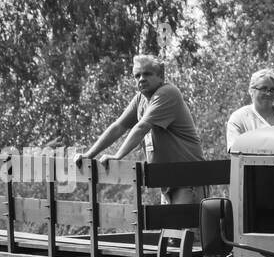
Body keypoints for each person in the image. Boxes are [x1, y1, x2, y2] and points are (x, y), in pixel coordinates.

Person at [82, 55, 206, 204]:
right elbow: (118, 126)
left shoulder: (167, 93)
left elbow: (142, 127)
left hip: (188, 180)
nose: (141, 79)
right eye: (137, 75)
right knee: (170, 226)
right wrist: (89, 155)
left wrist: (117, 156)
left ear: (160, 76)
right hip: (168, 182)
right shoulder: (140, 99)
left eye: (147, 74)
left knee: (187, 227)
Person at [225, 68, 274, 148]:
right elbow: (235, 150)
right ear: (251, 90)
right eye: (263, 89)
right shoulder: (239, 119)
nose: (268, 93)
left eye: (272, 90)